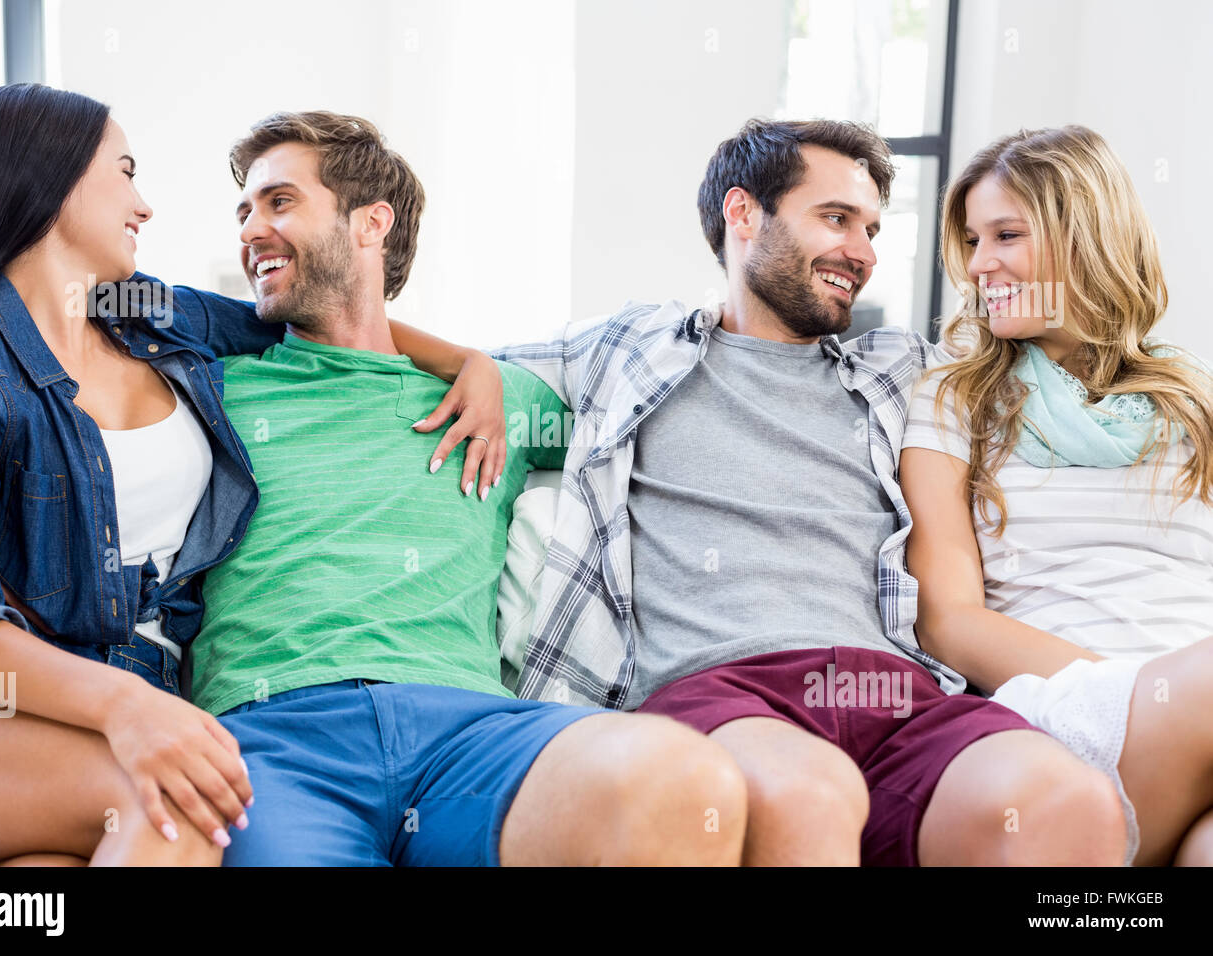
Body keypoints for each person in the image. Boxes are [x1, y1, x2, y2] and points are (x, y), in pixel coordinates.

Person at [493, 118, 1127, 865]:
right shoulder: (631, 348)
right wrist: (467, 371)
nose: (861, 252)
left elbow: (1059, 346)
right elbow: (446, 370)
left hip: (897, 695)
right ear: (742, 214)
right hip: (725, 691)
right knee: (811, 796)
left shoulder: (906, 372)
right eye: (835, 219)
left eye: (870, 229)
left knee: (1073, 803)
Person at [0, 84, 505, 866]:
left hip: (146, 703)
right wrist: (124, 707)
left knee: (45, 880)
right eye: (123, 172)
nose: (145, 205)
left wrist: (470, 363)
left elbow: (314, 318)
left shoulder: (152, 317)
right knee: (175, 811)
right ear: (50, 182)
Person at [187, 110, 748, 866]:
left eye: (279, 202)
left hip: (470, 734)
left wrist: (475, 365)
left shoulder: (508, 401)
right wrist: (463, 356)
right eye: (244, 211)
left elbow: (656, 404)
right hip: (274, 737)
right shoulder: (210, 395)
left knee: (687, 782)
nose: (252, 229)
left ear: (370, 224)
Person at [900, 125, 1213, 867]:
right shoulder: (953, 397)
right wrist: (1151, 690)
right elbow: (947, 621)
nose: (981, 265)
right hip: (1075, 709)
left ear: (1086, 235)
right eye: (973, 241)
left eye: (1006, 234)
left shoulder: (1191, 399)